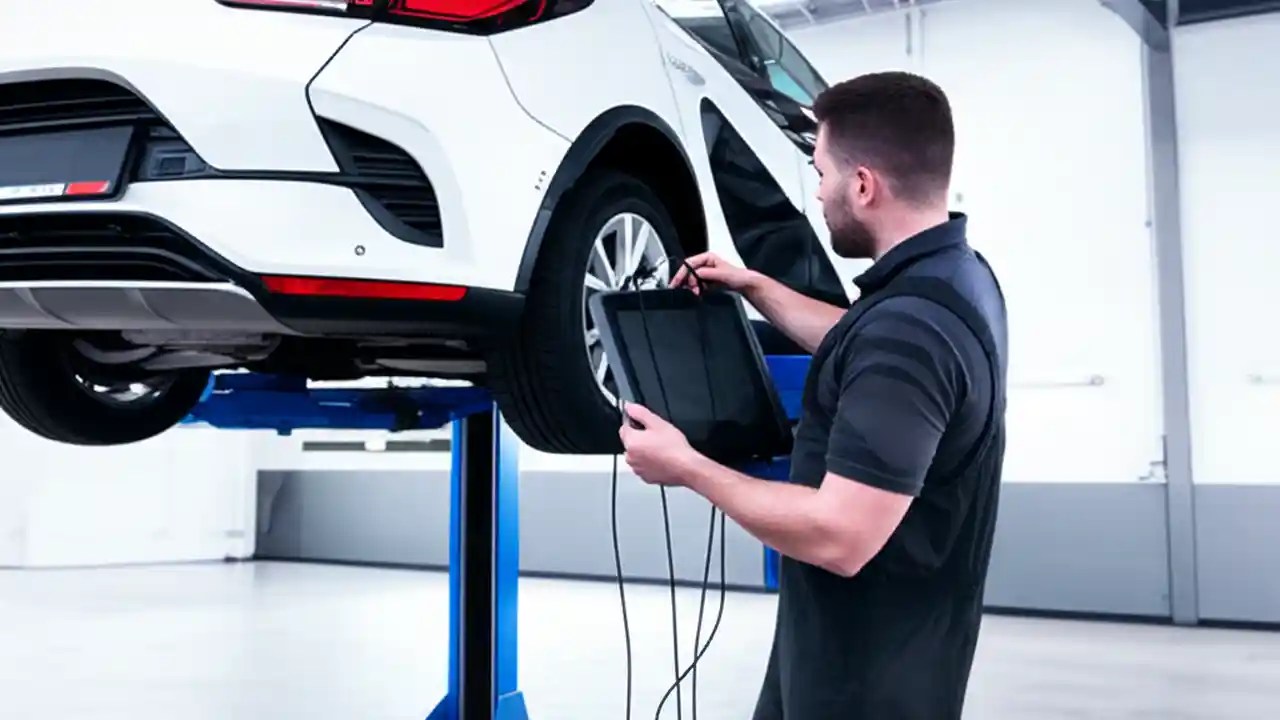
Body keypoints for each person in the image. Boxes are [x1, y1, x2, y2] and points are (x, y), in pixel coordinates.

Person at [617, 71, 1009, 719]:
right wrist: (756, 287)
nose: (819, 191)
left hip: (862, 686)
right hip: (882, 657)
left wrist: (686, 466)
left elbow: (838, 536)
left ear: (864, 186)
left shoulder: (908, 329)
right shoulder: (958, 280)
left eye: (822, 172)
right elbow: (865, 345)